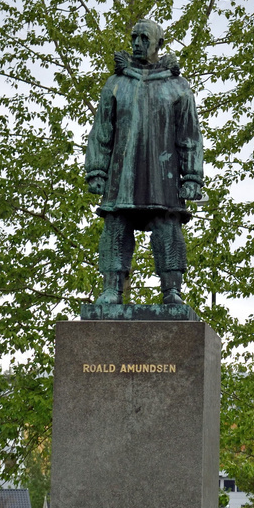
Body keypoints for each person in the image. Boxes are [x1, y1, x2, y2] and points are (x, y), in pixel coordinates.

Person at [85, 19, 204, 305]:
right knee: (116, 226)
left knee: (167, 228)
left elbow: (189, 135)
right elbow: (102, 130)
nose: (137, 43)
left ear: (157, 44)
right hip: (122, 172)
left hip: (163, 174)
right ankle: (111, 287)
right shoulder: (115, 84)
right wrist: (96, 169)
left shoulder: (177, 87)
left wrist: (191, 177)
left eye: (143, 38)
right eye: (134, 38)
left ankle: (171, 288)